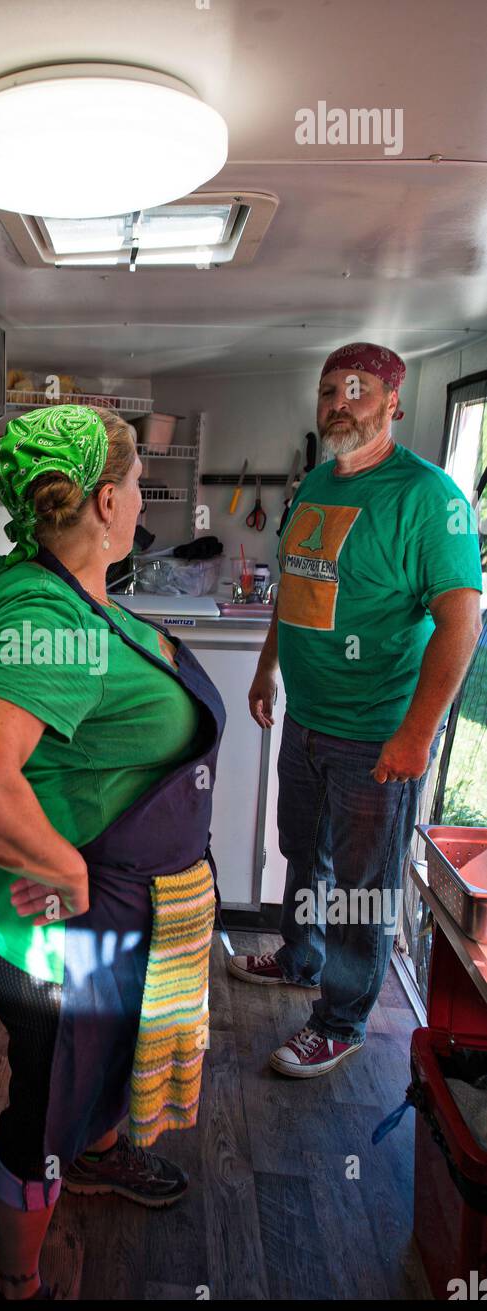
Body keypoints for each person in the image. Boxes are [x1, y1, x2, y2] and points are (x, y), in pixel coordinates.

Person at [0, 403, 225, 1299]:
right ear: (103, 501)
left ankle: (93, 1154)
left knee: (88, 1071)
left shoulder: (58, 581)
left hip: (111, 911)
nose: (142, 502)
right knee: (44, 1103)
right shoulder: (43, 611)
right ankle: (14, 1283)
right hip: (61, 929)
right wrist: (62, 869)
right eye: (136, 487)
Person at [232, 342, 483, 1076]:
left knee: (364, 887)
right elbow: (294, 585)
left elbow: (460, 624)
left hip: (376, 733)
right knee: (300, 854)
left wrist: (415, 733)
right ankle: (301, 959)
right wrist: (265, 667)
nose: (339, 403)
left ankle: (340, 1020)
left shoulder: (429, 499)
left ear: (392, 404)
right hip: (306, 718)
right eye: (328, 391)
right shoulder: (315, 484)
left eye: (357, 390)